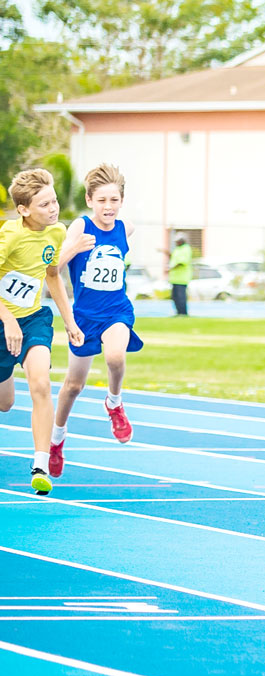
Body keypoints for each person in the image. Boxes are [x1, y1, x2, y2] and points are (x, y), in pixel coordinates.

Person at [50, 164, 143, 477]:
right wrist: (74, 248)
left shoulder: (126, 227)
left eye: (114, 200)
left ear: (121, 201)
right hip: (85, 317)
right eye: (102, 200)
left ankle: (114, 403)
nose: (108, 207)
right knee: (73, 386)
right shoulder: (79, 226)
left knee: (115, 356)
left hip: (116, 310)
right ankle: (56, 440)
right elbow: (53, 268)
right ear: (90, 200)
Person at [0, 169, 86, 494]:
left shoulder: (56, 232)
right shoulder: (10, 236)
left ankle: (40, 464)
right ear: (24, 209)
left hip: (34, 318)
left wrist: (70, 320)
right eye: (44, 204)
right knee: (5, 402)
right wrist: (7, 319)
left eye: (54, 201)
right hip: (2, 321)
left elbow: (52, 276)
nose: (53, 209)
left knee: (40, 382)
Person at [167, 233, 192, 315]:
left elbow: (182, 262)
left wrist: (170, 269)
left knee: (181, 297)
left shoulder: (186, 249)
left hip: (182, 278)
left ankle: (183, 313)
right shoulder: (177, 249)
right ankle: (178, 312)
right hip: (175, 278)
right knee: (175, 297)